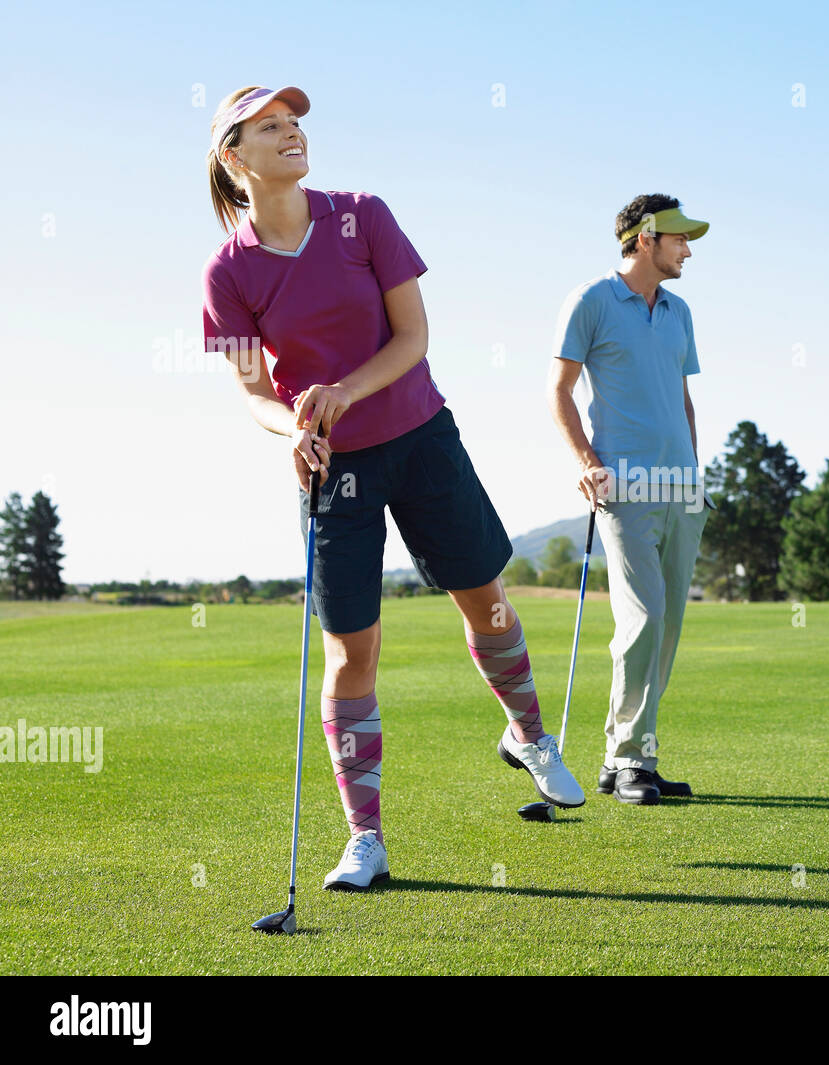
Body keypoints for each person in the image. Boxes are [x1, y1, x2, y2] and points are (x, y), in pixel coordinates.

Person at [201, 85, 583, 890]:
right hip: (333, 467)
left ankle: (528, 734)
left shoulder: (363, 215)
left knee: (486, 600)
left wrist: (344, 391)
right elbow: (252, 391)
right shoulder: (227, 273)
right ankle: (365, 838)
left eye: (295, 122)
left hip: (419, 436)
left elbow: (414, 338)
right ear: (235, 157)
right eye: (270, 127)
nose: (292, 133)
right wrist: (291, 428)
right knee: (352, 649)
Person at [547, 194, 713, 806]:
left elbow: (683, 400)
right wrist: (587, 464)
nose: (688, 250)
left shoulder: (678, 311)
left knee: (666, 626)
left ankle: (628, 752)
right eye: (679, 239)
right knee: (642, 619)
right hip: (624, 486)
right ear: (646, 239)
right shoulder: (591, 300)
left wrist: (694, 476)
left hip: (681, 489)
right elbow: (559, 391)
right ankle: (628, 761)